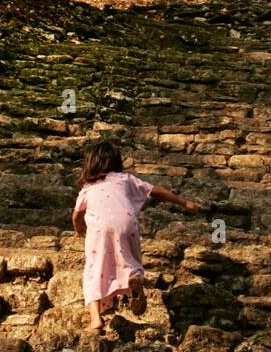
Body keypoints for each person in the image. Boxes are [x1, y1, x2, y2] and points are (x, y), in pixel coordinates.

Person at [71, 141, 198, 333]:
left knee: (94, 269)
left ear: (90, 164)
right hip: (127, 223)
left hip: (99, 229)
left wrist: (79, 230)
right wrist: (184, 202)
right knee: (129, 258)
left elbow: (76, 215)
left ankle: (96, 320)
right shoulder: (124, 179)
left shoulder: (87, 189)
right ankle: (133, 279)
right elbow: (154, 191)